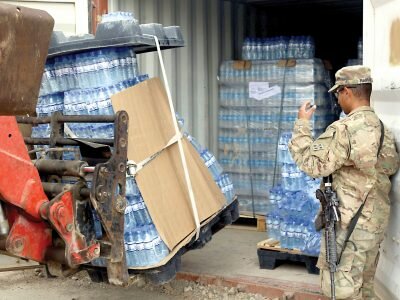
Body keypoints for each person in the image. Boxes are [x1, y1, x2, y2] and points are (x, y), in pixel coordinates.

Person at [288, 65, 399, 299]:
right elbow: (390, 167)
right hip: (374, 225)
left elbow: (311, 163)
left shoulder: (344, 130)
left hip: (349, 225)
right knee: (365, 288)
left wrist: (302, 124)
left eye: (338, 93)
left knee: (341, 289)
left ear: (347, 91)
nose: (338, 99)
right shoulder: (384, 130)